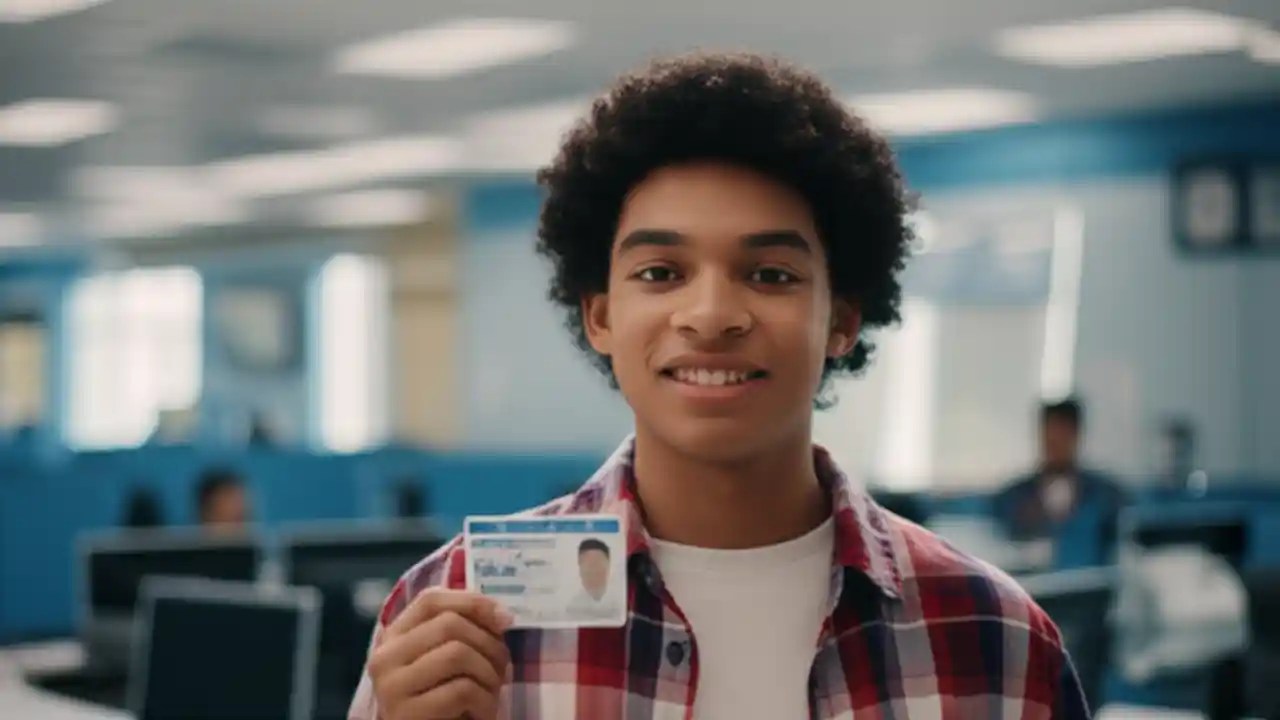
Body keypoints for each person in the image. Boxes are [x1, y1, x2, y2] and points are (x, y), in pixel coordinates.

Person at [350, 52, 1088, 720]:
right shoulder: (452, 618)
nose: (710, 315)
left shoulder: (997, 637)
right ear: (601, 317)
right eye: (660, 273)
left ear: (841, 321)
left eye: (770, 275)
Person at [993, 398, 1126, 560]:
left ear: (1077, 436)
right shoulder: (1011, 498)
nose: (1055, 444)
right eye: (1049, 436)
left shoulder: (1107, 496)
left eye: (1063, 435)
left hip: (1094, 582)